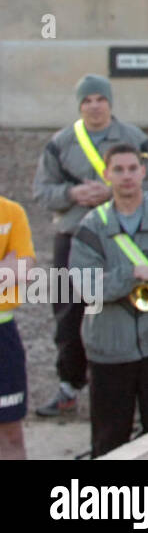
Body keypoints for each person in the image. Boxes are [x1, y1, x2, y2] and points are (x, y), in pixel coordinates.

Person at [30, 73, 148, 418]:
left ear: (110, 102)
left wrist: (115, 192)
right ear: (79, 105)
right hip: (72, 237)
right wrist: (72, 194)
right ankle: (69, 385)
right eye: (87, 100)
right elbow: (41, 190)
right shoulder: (61, 142)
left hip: (121, 239)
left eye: (100, 98)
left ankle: (132, 389)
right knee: (68, 313)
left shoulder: (133, 138)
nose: (94, 105)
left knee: (125, 309)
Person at [69, 145, 148, 458]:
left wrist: (134, 299)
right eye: (118, 170)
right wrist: (134, 274)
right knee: (109, 443)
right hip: (109, 350)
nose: (126, 176)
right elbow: (86, 288)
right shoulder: (91, 227)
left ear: (143, 172)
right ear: (106, 175)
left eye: (132, 169)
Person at [0, 196, 37, 459]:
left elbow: (24, 270)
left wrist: (15, 268)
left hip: (3, 335)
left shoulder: (11, 212)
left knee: (10, 432)